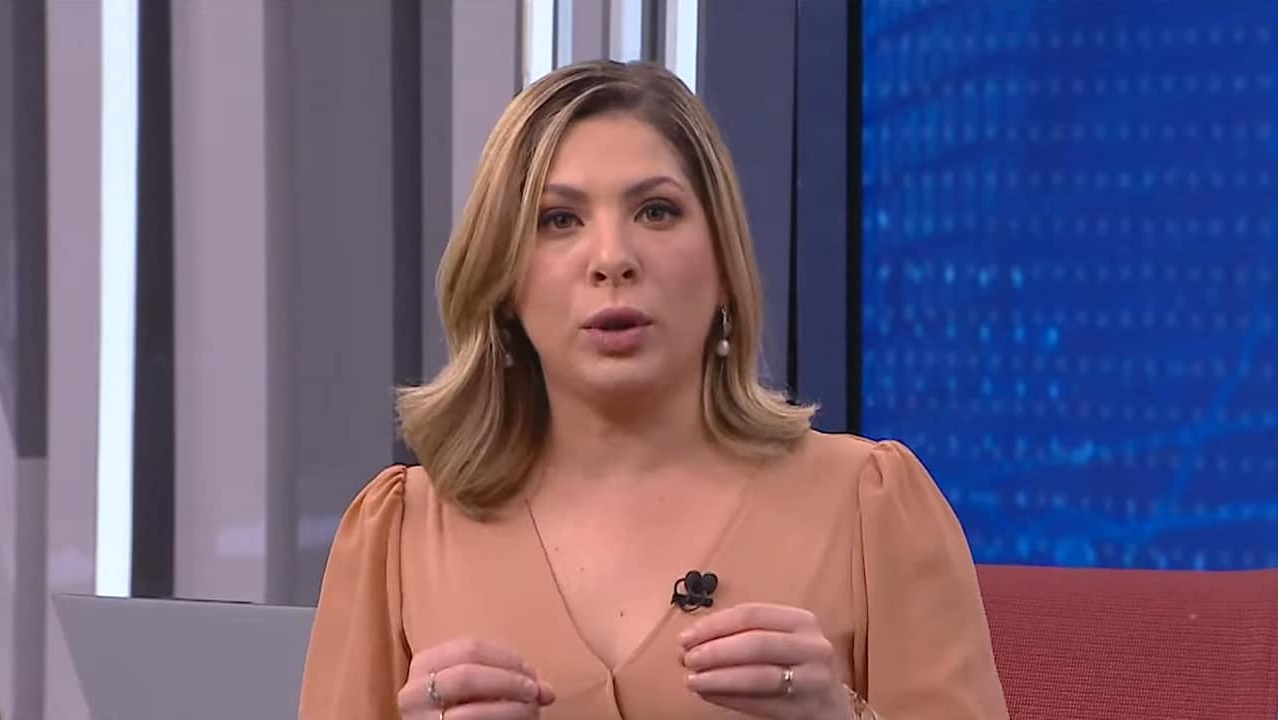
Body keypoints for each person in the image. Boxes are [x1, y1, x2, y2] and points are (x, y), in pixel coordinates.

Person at [298, 59, 1008, 720]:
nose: (613, 259)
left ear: (724, 262)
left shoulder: (870, 506)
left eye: (657, 211)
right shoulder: (399, 535)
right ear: (502, 282)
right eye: (559, 220)